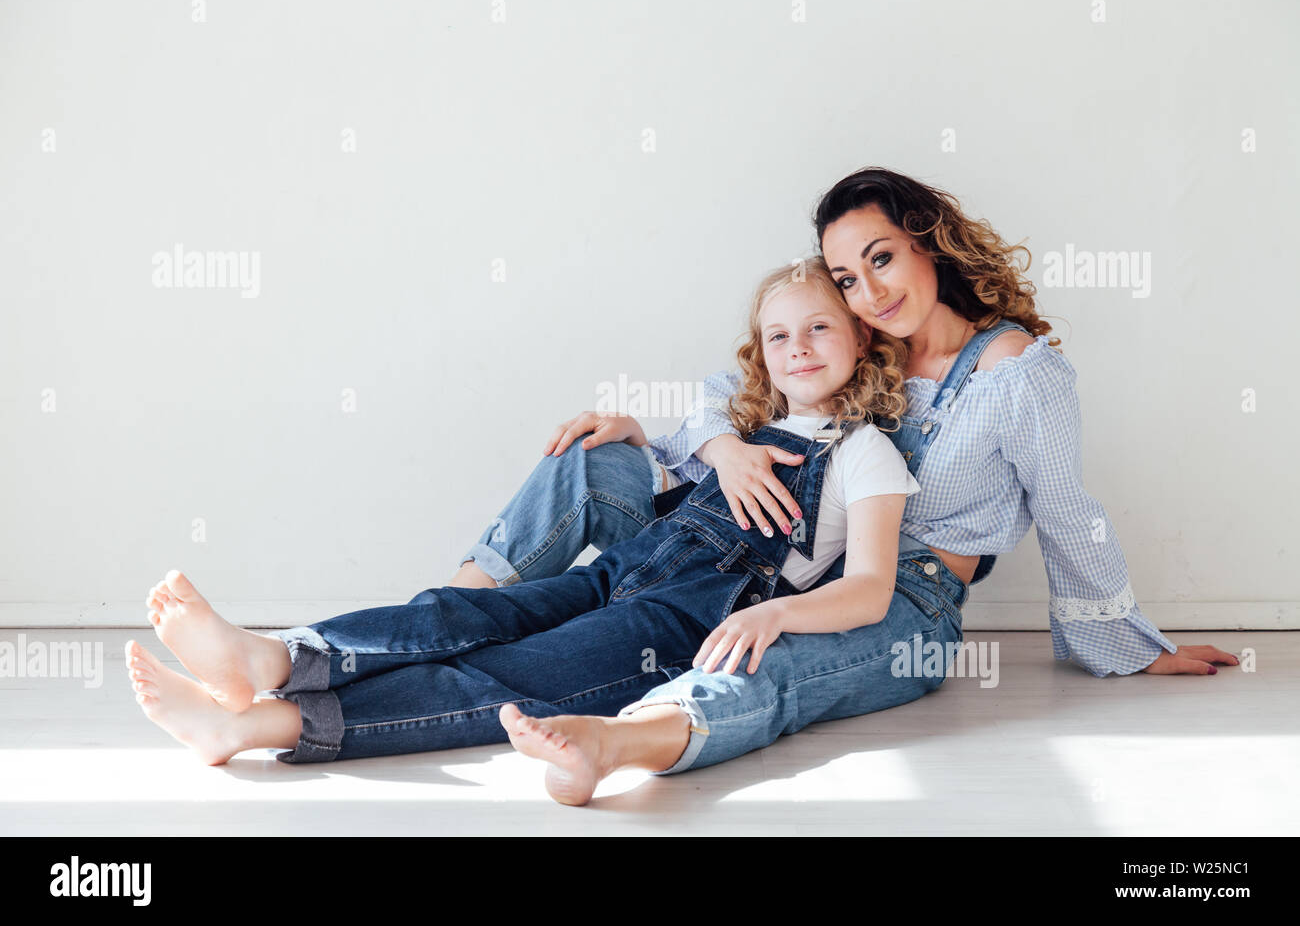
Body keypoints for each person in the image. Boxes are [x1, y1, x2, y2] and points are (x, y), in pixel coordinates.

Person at [458, 167, 1238, 805]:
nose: (869, 292)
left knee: (775, 662)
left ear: (928, 240)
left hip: (901, 598)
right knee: (593, 457)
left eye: (882, 258)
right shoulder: (859, 339)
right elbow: (727, 384)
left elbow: (1071, 515)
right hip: (760, 557)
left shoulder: (1017, 378)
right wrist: (725, 447)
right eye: (846, 277)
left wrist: (1127, 648)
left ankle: (614, 743)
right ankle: (458, 612)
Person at [125, 257, 942, 772]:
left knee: (499, 678)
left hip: (678, 623)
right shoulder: (740, 431)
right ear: (759, 355)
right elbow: (661, 472)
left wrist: (780, 616)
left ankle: (260, 724)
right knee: (463, 611)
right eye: (777, 336)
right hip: (620, 576)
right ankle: (278, 655)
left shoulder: (868, 453)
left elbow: (870, 589)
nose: (797, 347)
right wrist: (643, 436)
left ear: (861, 343)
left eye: (818, 328)